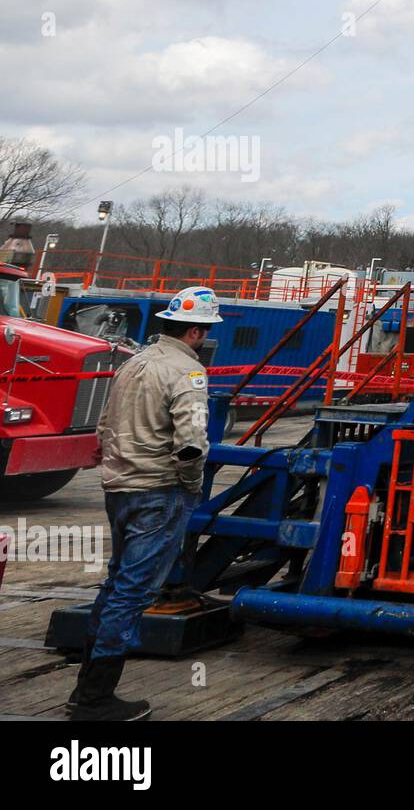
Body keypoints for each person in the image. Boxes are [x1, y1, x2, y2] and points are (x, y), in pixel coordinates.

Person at [68, 286, 222, 720]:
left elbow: (104, 425)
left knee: (117, 584)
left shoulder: (134, 363)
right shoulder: (187, 374)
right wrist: (191, 486)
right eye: (206, 331)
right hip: (160, 491)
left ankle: (87, 690)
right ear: (195, 331)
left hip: (120, 489)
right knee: (133, 592)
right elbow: (191, 444)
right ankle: (96, 699)